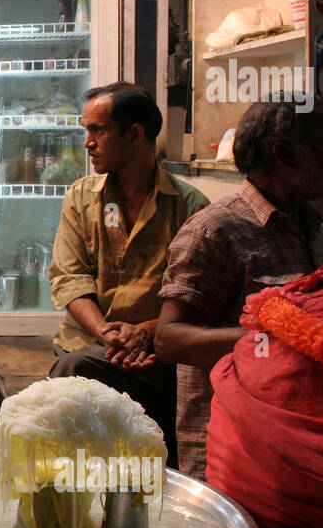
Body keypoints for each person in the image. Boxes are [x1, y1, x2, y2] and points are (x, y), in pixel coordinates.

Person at [155, 96, 323, 480]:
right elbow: (169, 339)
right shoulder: (214, 230)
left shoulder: (310, 223)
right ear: (284, 154)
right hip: (232, 453)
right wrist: (281, 339)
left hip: (289, 442)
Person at [47, 82, 208, 468]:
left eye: (97, 131)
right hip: (91, 342)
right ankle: (61, 486)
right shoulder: (82, 197)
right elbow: (69, 279)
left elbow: (194, 299)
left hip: (156, 353)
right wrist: (108, 334)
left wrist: (145, 333)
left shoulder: (190, 208)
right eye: (86, 130)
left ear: (134, 135)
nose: (87, 142)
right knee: (77, 368)